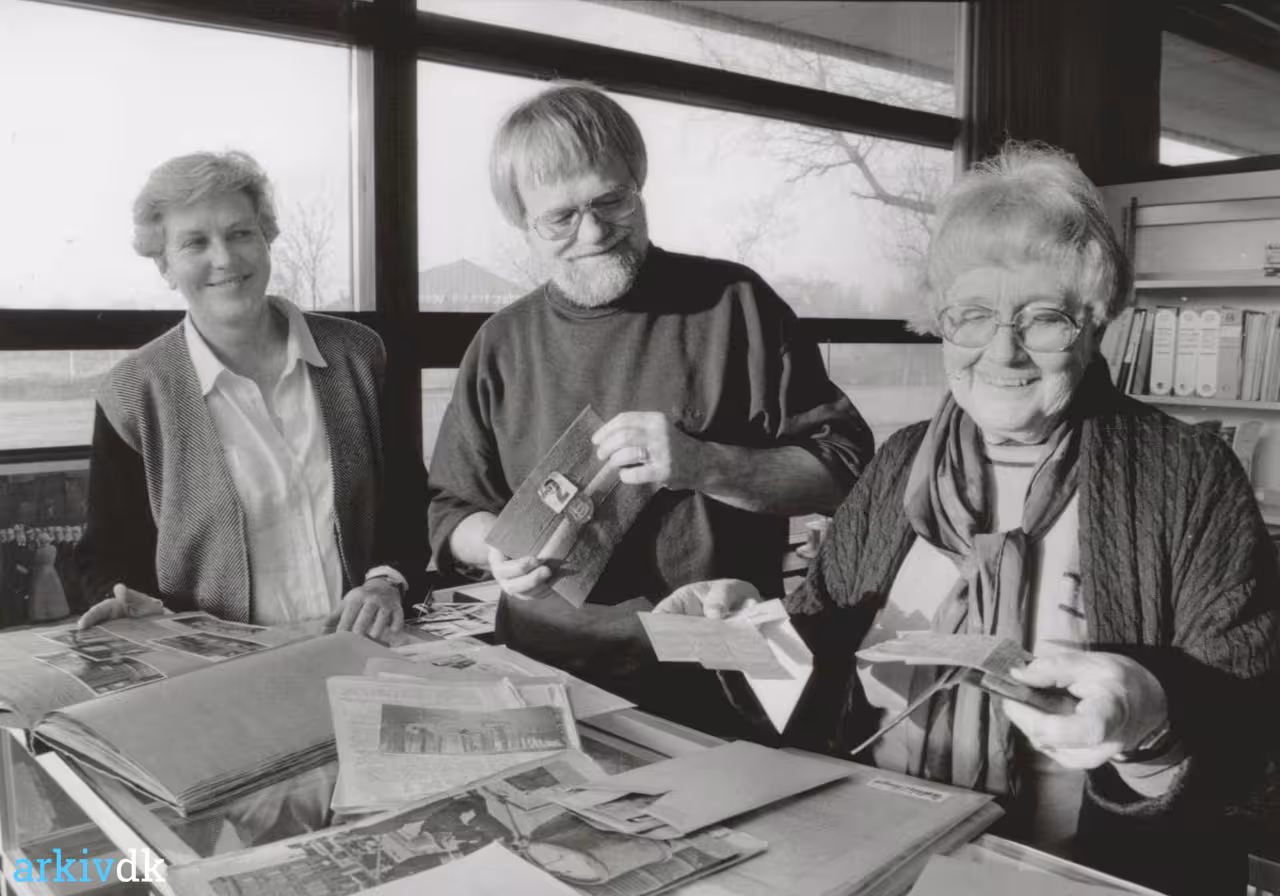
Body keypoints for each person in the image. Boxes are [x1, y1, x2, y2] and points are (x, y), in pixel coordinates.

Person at [655, 144, 1280, 894]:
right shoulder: (899, 465)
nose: (1002, 349)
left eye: (1043, 318)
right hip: (867, 848)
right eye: (972, 315)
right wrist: (748, 632)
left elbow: (1251, 741)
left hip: (1072, 871)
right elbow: (813, 671)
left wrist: (1148, 724)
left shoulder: (1187, 475)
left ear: (1095, 322)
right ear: (940, 323)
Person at [427, 82, 873, 732]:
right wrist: (495, 552)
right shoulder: (501, 343)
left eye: (613, 199)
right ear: (522, 223)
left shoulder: (733, 305)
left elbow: (848, 474)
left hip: (727, 676)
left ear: (639, 183)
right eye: (561, 217)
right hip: (549, 681)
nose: (597, 231)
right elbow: (450, 508)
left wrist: (707, 465)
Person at [77, 151, 428, 639]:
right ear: (165, 266)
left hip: (364, 648)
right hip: (220, 670)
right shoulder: (135, 391)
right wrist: (124, 600)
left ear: (266, 239)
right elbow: (106, 555)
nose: (224, 258)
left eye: (240, 232)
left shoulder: (357, 355)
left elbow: (409, 503)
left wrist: (386, 581)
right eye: (195, 242)